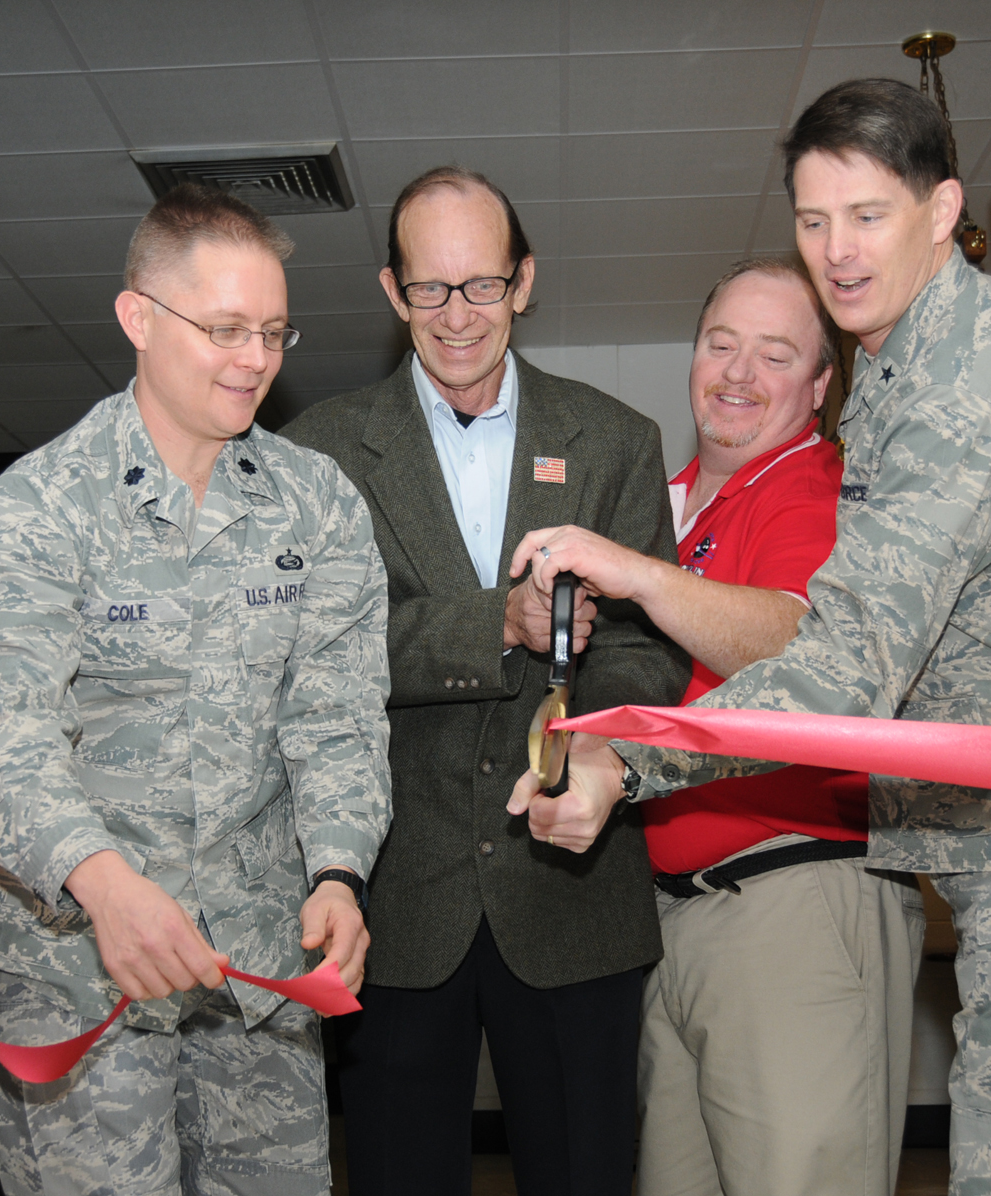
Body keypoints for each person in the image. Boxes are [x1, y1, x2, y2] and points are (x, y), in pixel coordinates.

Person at [513, 78, 991, 1196]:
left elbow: (844, 668)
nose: (835, 250)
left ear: (942, 210)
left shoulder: (962, 379)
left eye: (867, 214)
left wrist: (628, 760)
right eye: (812, 218)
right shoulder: (897, 363)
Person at [0, 183, 392, 1196]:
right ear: (138, 317)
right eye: (225, 328)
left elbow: (339, 716)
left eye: (273, 331)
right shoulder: (40, 506)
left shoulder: (315, 505)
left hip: (258, 973)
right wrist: (104, 884)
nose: (255, 359)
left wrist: (338, 873)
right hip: (78, 971)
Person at [284, 165, 690, 1196]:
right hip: (397, 902)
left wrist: (597, 752)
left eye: (482, 285)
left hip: (573, 893)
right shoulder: (316, 454)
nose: (457, 316)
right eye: (430, 288)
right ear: (391, 291)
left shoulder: (616, 441)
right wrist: (492, 624)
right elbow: (308, 656)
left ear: (525, 281)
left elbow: (653, 658)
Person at [508, 255, 923, 1196]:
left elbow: (804, 648)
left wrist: (643, 576)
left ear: (821, 388)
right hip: (670, 917)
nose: (737, 373)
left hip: (795, 903)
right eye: (720, 344)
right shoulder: (668, 498)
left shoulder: (823, 490)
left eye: (775, 355)